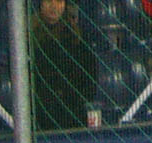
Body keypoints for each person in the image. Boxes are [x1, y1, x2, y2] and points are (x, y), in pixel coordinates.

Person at [29, 0, 100, 131]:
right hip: (39, 118)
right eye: (48, 1)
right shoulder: (27, 37)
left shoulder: (77, 36)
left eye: (59, 1)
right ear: (40, 4)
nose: (53, 6)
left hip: (73, 116)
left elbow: (89, 78)